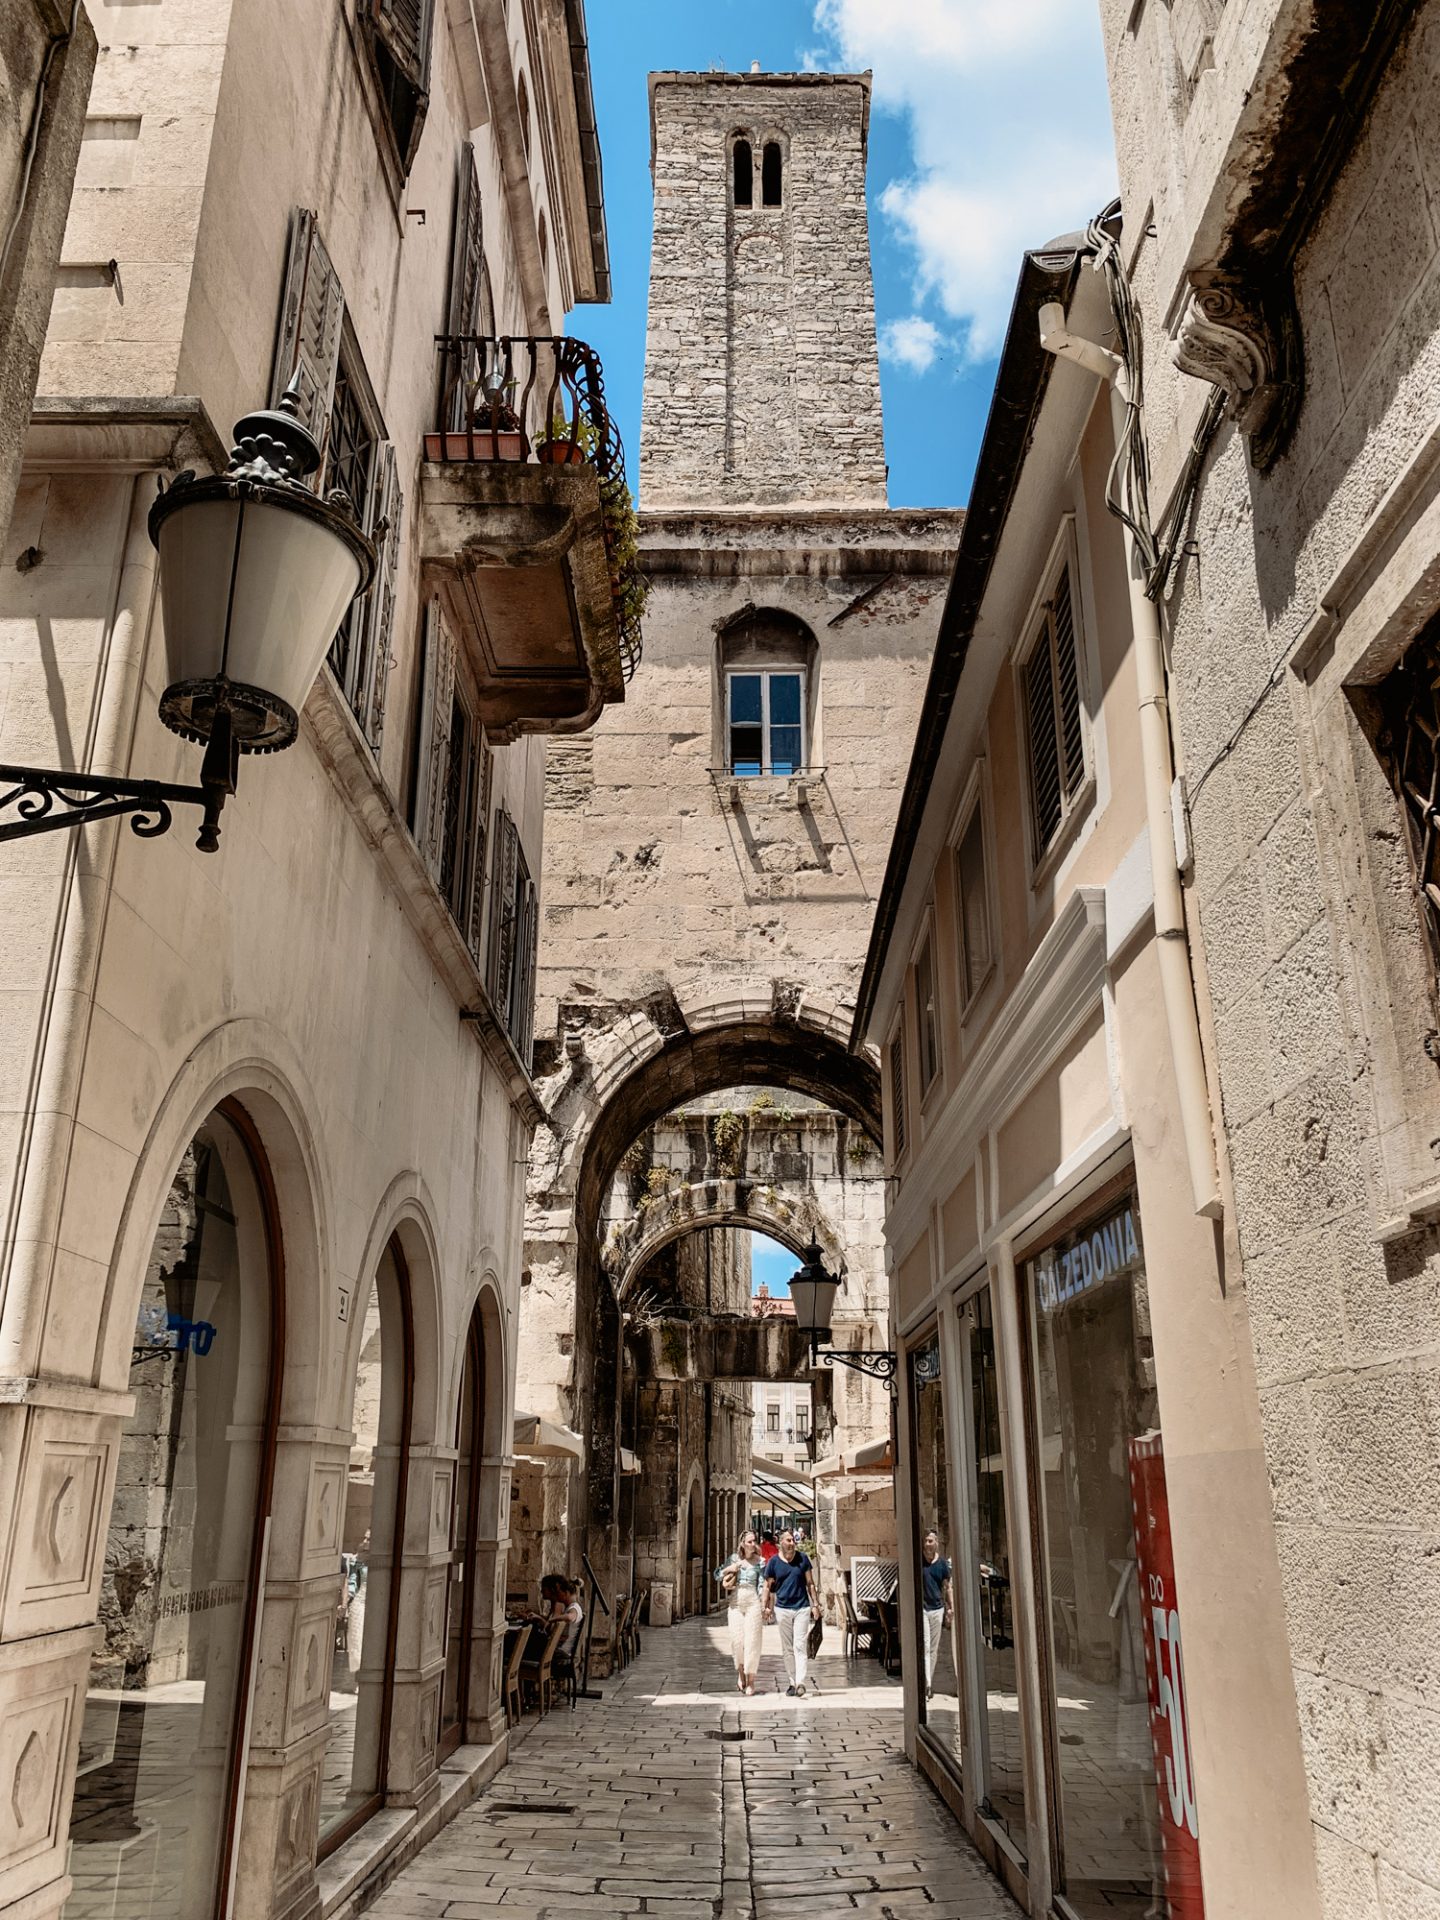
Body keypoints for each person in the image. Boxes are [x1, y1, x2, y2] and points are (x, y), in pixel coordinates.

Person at [763, 1528, 820, 1696]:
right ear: (781, 1542)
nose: (792, 1543)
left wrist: (815, 1604)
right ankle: (792, 1682)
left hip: (802, 1607)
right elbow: (767, 1586)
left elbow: (810, 1583)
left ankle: (801, 1681)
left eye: (793, 1540)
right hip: (782, 1609)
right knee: (787, 1648)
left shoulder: (803, 1559)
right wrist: (764, 1606)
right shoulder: (773, 1562)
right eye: (788, 1540)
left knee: (800, 1645)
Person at [714, 1530, 766, 1694]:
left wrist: (764, 1605)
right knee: (737, 1640)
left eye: (754, 1541)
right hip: (736, 1602)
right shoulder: (734, 1559)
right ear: (743, 1544)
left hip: (752, 1602)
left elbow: (762, 1585)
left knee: (752, 1641)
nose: (753, 1544)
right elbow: (717, 1575)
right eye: (750, 1542)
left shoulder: (760, 1562)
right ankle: (740, 1674)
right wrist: (730, 1568)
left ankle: (751, 1680)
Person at [921, 1529, 954, 1698]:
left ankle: (929, 1681)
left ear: (936, 1543)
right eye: (926, 1541)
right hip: (923, 1609)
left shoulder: (941, 1565)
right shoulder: (919, 1562)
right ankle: (927, 1683)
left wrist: (951, 1607)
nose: (927, 1544)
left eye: (930, 1541)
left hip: (937, 1609)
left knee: (933, 1649)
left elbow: (947, 1586)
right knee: (926, 1645)